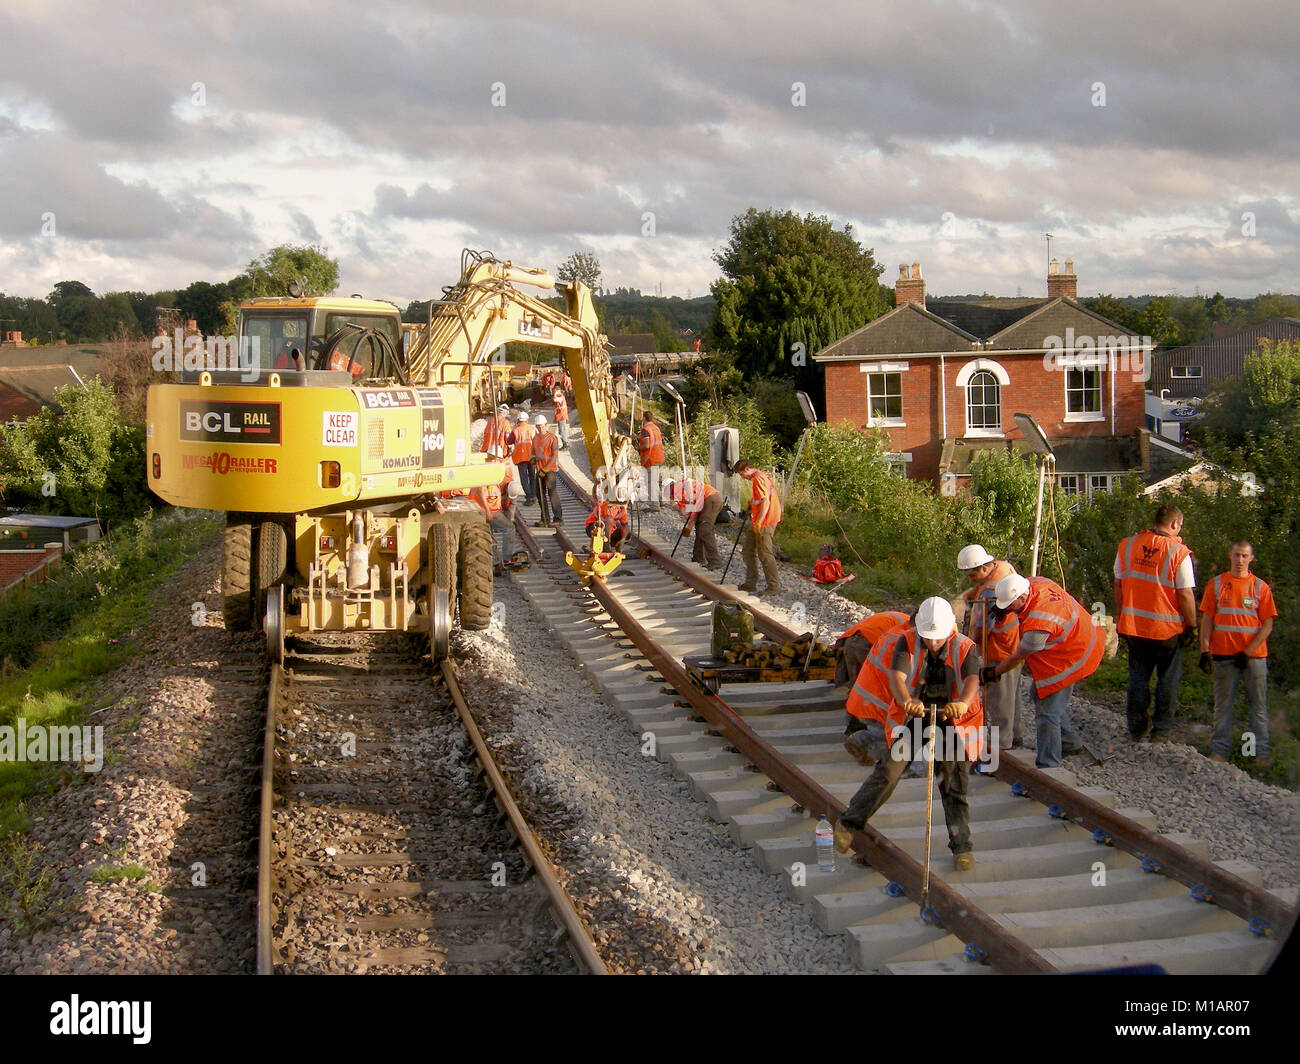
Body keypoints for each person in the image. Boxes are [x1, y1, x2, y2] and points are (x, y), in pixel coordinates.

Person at [835, 598, 983, 871]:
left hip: (954, 720)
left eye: (938, 639)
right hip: (916, 715)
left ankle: (962, 846)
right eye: (928, 638)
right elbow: (897, 677)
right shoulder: (906, 641)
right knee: (889, 771)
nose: (933, 644)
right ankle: (849, 822)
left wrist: (962, 701)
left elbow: (972, 678)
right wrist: (905, 701)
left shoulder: (964, 646)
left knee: (953, 784)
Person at [987, 573, 1102, 768]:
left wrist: (995, 672)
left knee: (1047, 711)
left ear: (1022, 599)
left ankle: (1049, 764)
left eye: (1009, 605)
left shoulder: (1038, 624)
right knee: (1041, 697)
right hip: (1085, 635)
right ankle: (1069, 742)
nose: (1007, 609)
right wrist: (1001, 607)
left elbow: (1018, 656)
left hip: (1073, 656)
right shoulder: (1036, 583)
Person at [1114, 504, 1198, 743]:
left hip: (1134, 627)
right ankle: (1161, 732)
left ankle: (1136, 729)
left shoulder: (1127, 546)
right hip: (1167, 630)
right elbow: (1185, 594)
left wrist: (1121, 617)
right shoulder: (1177, 552)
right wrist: (1191, 626)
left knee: (1138, 678)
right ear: (1173, 524)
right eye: (1179, 526)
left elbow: (1118, 584)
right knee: (1167, 680)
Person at [1200, 541, 1277, 769]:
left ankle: (1259, 753)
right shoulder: (1216, 585)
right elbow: (1207, 620)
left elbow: (1267, 625)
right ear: (1230, 555)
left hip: (1253, 658)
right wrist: (1204, 650)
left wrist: (1248, 651)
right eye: (1236, 555)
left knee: (1258, 706)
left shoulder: (1260, 587)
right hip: (1224, 657)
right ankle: (1220, 752)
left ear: (1251, 558)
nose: (1240, 560)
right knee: (1223, 706)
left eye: (1244, 556)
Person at [956, 545, 1022, 752]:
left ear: (983, 568)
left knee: (998, 701)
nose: (970, 579)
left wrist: (970, 651)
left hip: (999, 650)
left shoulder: (989, 592)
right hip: (1014, 646)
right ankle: (1015, 738)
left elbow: (982, 627)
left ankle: (1000, 748)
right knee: (1012, 698)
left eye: (972, 574)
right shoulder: (1003, 568)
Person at [836, 610, 910, 765]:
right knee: (874, 689)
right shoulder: (908, 633)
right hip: (866, 644)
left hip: (852, 642)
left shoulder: (898, 620)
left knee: (859, 686)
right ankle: (866, 734)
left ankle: (854, 728)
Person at [732, 459, 782, 596]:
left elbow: (765, 502)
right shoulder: (760, 476)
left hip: (766, 520)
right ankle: (750, 583)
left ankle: (773, 587)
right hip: (758, 520)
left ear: (747, 469)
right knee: (748, 550)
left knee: (765, 553)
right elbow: (760, 499)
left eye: (742, 474)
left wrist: (759, 522)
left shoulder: (758, 479)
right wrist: (752, 504)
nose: (742, 477)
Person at [664, 477, 723, 569]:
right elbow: (693, 514)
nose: (669, 498)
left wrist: (690, 498)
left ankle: (715, 562)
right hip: (708, 500)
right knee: (700, 529)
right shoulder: (678, 497)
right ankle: (698, 558)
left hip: (710, 498)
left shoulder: (676, 487)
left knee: (705, 530)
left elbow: (688, 481)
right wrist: (689, 527)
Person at [469, 465, 517, 573]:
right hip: (486, 511)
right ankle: (506, 559)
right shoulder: (488, 477)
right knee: (509, 528)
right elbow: (481, 491)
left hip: (483, 510)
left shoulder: (492, 475)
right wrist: (488, 512)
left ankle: (493, 563)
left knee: (489, 537)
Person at [531, 414, 562, 527]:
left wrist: (546, 468)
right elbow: (533, 452)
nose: (540, 428)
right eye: (538, 426)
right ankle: (545, 519)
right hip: (539, 470)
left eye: (542, 426)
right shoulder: (535, 438)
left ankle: (558, 519)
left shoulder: (552, 438)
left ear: (546, 426)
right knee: (540, 494)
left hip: (549, 470)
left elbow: (555, 455)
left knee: (552, 493)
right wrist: (532, 459)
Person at [508, 411, 536, 505]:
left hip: (521, 458)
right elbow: (535, 441)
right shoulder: (530, 429)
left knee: (524, 478)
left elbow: (509, 441)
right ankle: (534, 495)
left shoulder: (516, 430)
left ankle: (529, 497)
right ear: (527, 420)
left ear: (518, 420)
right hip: (531, 456)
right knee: (532, 476)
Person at [638, 411, 664, 505]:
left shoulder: (645, 429)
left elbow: (646, 445)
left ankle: (655, 505)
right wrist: (637, 437)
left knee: (650, 482)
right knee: (655, 481)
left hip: (650, 459)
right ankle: (660, 501)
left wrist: (637, 447)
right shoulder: (655, 428)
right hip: (659, 457)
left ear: (644, 418)